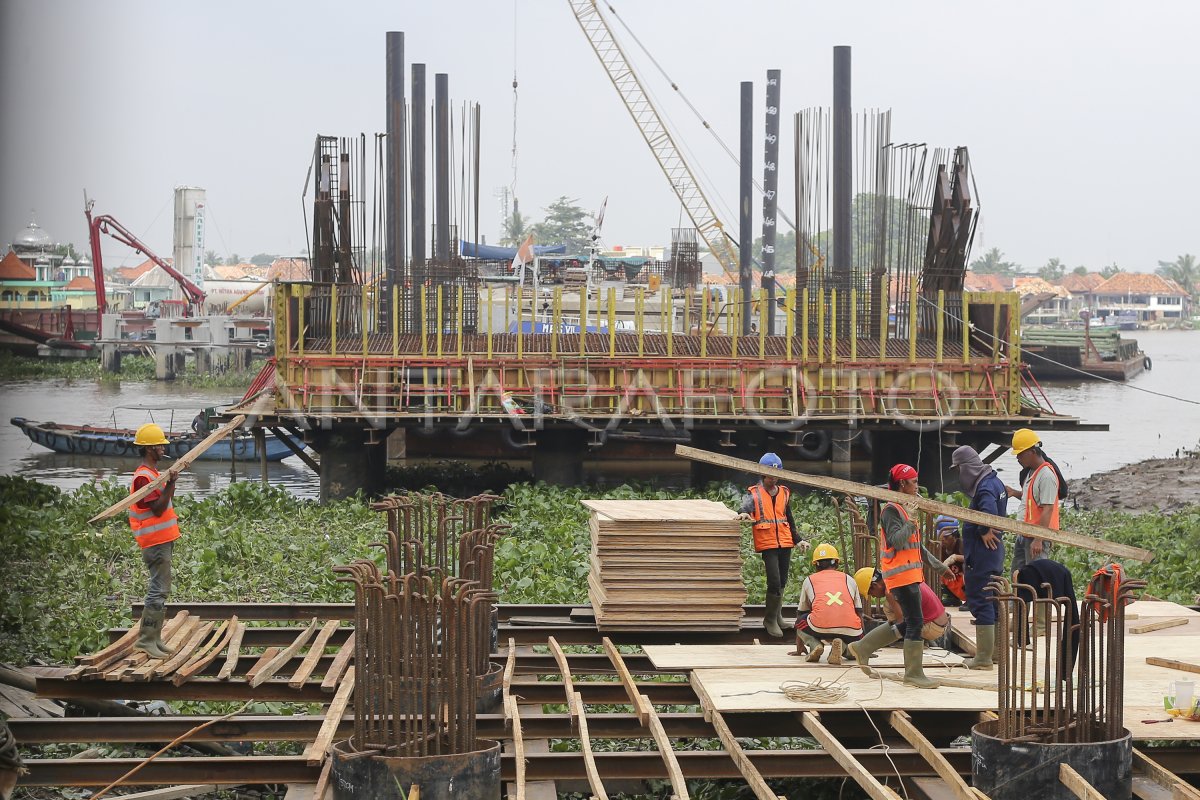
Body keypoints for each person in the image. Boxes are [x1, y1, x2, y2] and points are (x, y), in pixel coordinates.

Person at [863, 464, 949, 688]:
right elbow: (896, 540)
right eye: (913, 482)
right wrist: (911, 522)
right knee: (915, 622)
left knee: (911, 622)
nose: (917, 485)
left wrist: (939, 567)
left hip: (910, 574)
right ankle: (913, 674)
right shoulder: (891, 510)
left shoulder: (904, 508)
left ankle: (862, 648)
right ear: (902, 484)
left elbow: (916, 545)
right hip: (900, 576)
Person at [948, 444, 1008, 670]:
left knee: (981, 601)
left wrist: (983, 530)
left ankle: (983, 658)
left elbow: (988, 512)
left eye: (958, 469)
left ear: (967, 467)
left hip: (983, 556)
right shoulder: (995, 481)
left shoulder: (984, 488)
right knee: (992, 602)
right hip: (994, 554)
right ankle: (995, 654)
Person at [738, 453, 811, 637]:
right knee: (774, 581)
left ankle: (777, 616)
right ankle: (769, 619)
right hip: (768, 543)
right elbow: (745, 507)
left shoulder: (784, 492)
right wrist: (743, 513)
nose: (774, 478)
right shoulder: (754, 492)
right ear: (763, 474)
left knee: (783, 581)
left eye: (777, 474)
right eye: (770, 475)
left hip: (785, 542)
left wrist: (798, 539)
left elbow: (789, 519)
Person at [129, 423, 182, 658]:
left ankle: (155, 639)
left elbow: (161, 503)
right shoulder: (143, 478)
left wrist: (169, 481)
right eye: (160, 445)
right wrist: (171, 482)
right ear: (150, 448)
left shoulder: (152, 475)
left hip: (161, 540)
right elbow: (158, 509)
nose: (163, 448)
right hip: (154, 542)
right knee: (157, 589)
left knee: (161, 589)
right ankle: (146, 640)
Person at [791, 544, 863, 664]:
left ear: (816, 565)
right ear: (836, 562)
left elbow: (801, 613)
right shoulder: (849, 579)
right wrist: (862, 643)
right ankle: (844, 648)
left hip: (819, 627)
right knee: (854, 652)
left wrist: (799, 647)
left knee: (800, 622)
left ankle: (815, 646)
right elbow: (859, 612)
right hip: (851, 629)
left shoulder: (809, 580)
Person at [852, 566, 951, 650]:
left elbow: (901, 622)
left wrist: (883, 640)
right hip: (939, 623)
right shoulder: (898, 577)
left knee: (888, 607)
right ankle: (917, 638)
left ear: (875, 585)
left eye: (870, 593)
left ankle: (910, 640)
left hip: (932, 627)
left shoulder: (890, 591)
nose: (872, 596)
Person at [1005, 428, 1063, 573]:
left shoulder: (1046, 476)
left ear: (1032, 452)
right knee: (1018, 575)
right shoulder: (1031, 472)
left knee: (1036, 576)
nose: (1018, 459)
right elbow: (1032, 501)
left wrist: (1039, 539)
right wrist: (1014, 493)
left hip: (1036, 538)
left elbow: (1048, 508)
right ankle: (1020, 596)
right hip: (1024, 534)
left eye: (1020, 454)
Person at [1013, 559, 1080, 680]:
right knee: (1072, 614)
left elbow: (1021, 603)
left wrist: (1022, 637)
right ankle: (1065, 672)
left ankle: (1065, 671)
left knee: (1072, 617)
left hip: (1053, 577)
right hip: (1054, 575)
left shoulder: (1026, 575)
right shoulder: (1027, 574)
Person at [935, 515, 966, 605]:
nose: (943, 540)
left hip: (965, 584)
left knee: (967, 565)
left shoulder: (962, 545)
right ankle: (953, 598)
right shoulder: (940, 548)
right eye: (941, 537)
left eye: (946, 537)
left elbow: (974, 560)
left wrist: (956, 557)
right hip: (952, 581)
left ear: (955, 536)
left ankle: (970, 600)